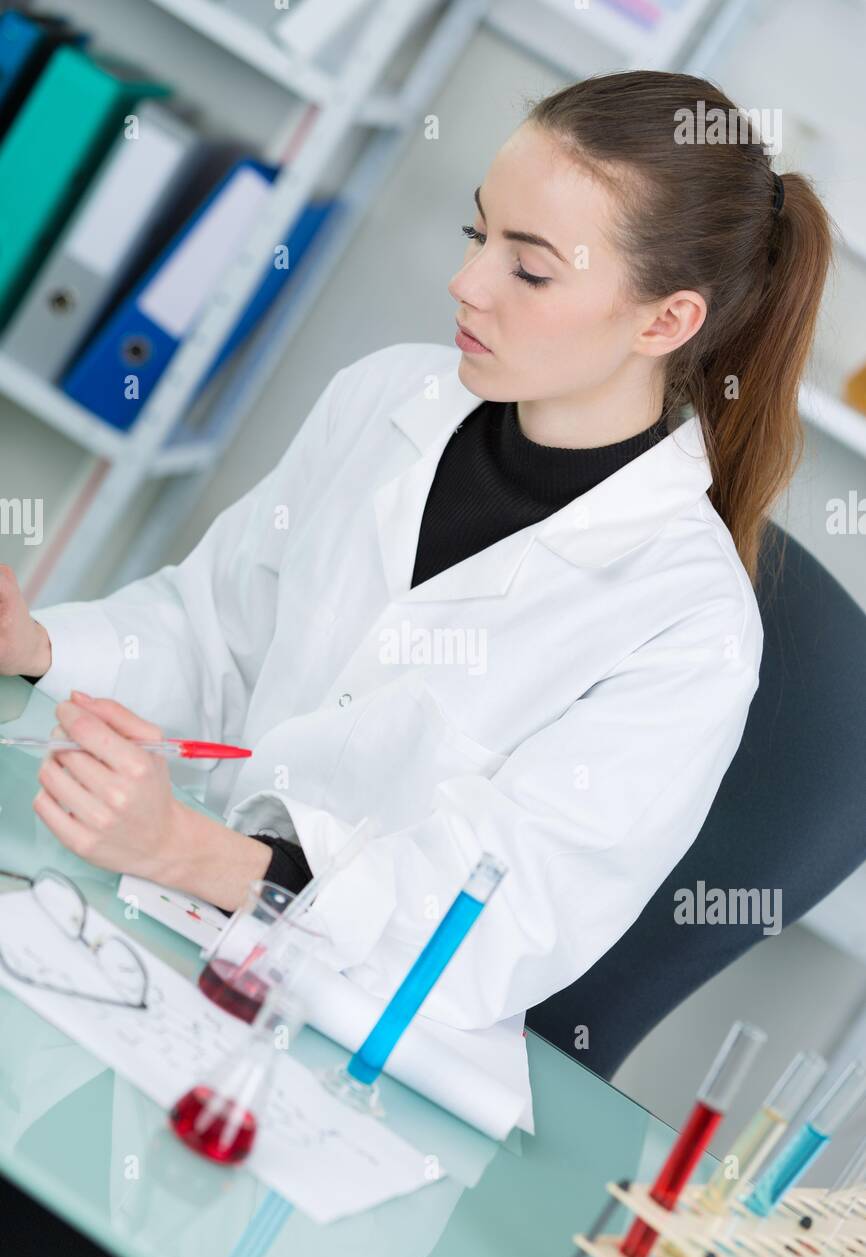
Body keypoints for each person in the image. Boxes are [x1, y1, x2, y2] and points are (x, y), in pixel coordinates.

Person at [0, 70, 832, 1038]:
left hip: (354, 1049)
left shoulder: (688, 620)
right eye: (476, 234)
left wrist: (193, 852)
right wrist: (36, 646)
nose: (466, 282)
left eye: (527, 268)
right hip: (160, 930)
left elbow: (499, 921)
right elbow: (214, 637)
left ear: (665, 321)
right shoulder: (385, 396)